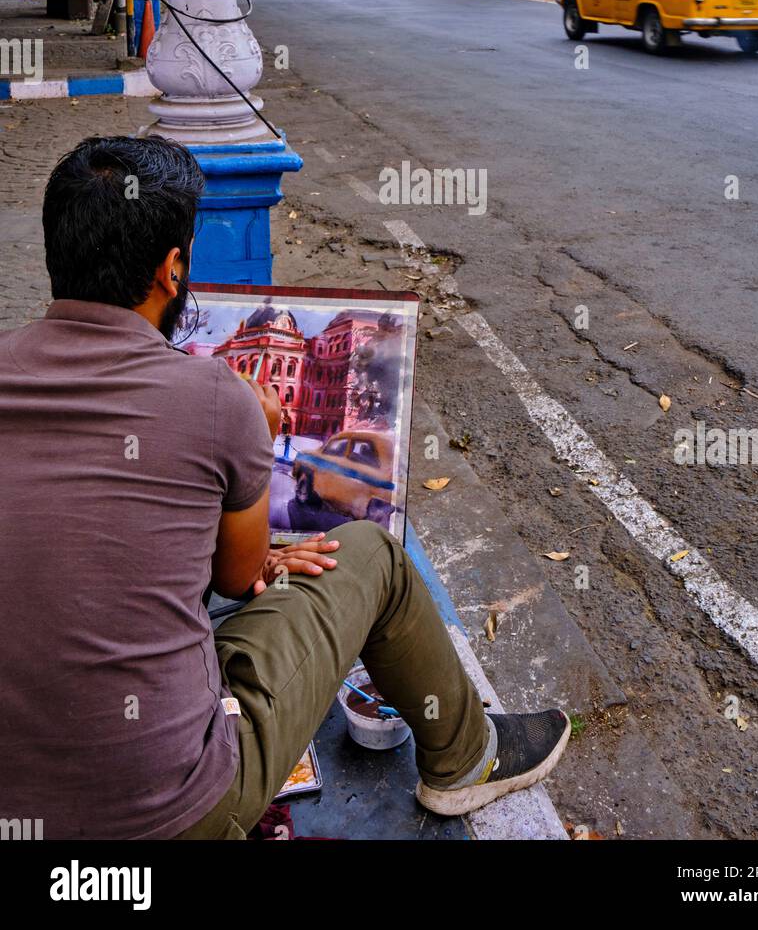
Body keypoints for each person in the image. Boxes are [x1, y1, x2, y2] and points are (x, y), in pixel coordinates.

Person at [0, 136, 570, 840]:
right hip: (172, 813)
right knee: (373, 557)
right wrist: (254, 435)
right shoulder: (217, 398)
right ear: (173, 270)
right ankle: (467, 760)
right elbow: (239, 578)